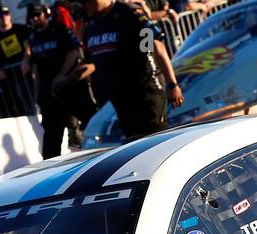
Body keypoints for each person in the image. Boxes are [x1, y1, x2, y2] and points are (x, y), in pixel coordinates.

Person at [75, 0, 183, 140]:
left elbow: (156, 46)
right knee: (134, 147)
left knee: (155, 145)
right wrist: (67, 78)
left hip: (146, 95)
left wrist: (172, 84)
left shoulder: (130, 13)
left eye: (85, 2)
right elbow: (91, 62)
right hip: (121, 101)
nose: (83, 6)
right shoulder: (92, 25)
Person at [27, 2, 90, 157]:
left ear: (46, 13)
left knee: (89, 122)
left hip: (70, 87)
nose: (35, 19)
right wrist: (37, 93)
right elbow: (34, 67)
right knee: (51, 138)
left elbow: (74, 51)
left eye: (38, 14)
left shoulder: (59, 29)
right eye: (32, 16)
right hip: (49, 93)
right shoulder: (33, 37)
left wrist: (62, 75)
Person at [0, 5, 32, 115]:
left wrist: (26, 60)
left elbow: (28, 47)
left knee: (31, 104)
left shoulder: (22, 29)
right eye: (0, 15)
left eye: (6, 14)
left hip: (27, 75)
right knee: (16, 109)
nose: (4, 17)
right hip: (9, 80)